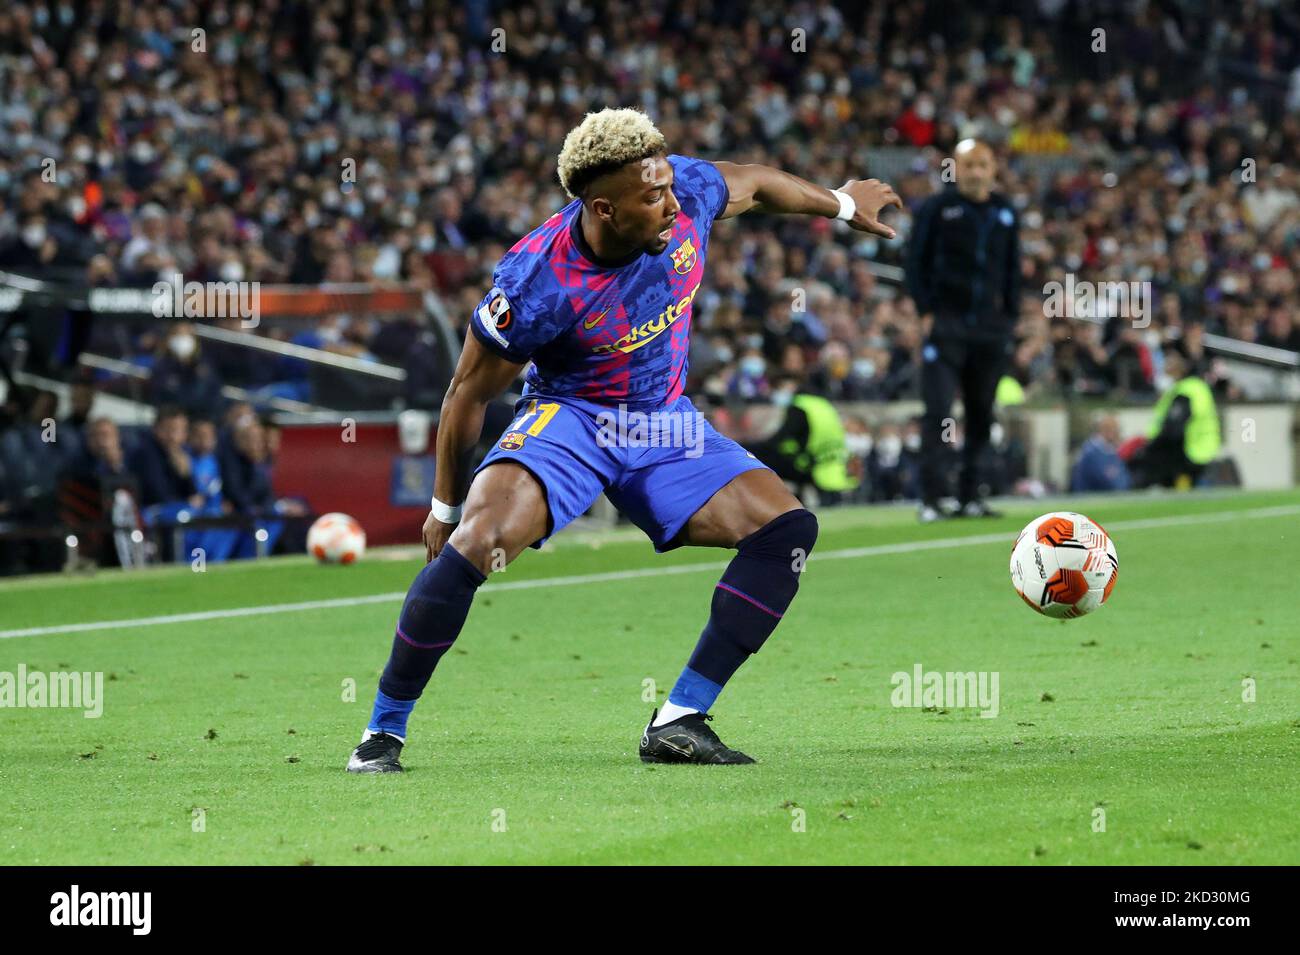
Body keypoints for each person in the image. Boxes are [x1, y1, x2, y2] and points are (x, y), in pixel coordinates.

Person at [348, 107, 901, 772]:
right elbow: (467, 392)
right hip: (572, 418)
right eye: (652, 195)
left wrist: (841, 203)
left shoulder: (684, 194)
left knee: (784, 530)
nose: (672, 202)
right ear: (604, 210)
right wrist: (443, 508)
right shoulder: (536, 281)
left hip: (662, 420)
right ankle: (383, 732)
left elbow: (755, 183)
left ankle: (681, 717)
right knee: (478, 541)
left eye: (669, 185)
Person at [905, 139, 1020, 522]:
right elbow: (914, 261)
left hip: (990, 329)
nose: (975, 172)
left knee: (981, 413)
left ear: (993, 169)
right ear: (956, 168)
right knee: (938, 412)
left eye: (982, 165)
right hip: (946, 325)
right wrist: (924, 310)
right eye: (968, 165)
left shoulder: (1006, 212)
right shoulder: (939, 209)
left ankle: (971, 497)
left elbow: (1013, 270)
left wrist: (1011, 317)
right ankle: (932, 499)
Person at [1131, 350, 1221, 489]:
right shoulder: (1196, 387)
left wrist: (1152, 446)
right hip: (1203, 449)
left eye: (1168, 365)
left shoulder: (1185, 391)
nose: (1165, 369)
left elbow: (1174, 426)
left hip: (1188, 452)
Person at [1071, 415, 1131, 492]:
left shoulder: (1111, 450)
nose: (1117, 433)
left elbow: (1126, 479)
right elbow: (1110, 483)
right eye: (1115, 430)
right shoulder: (1091, 452)